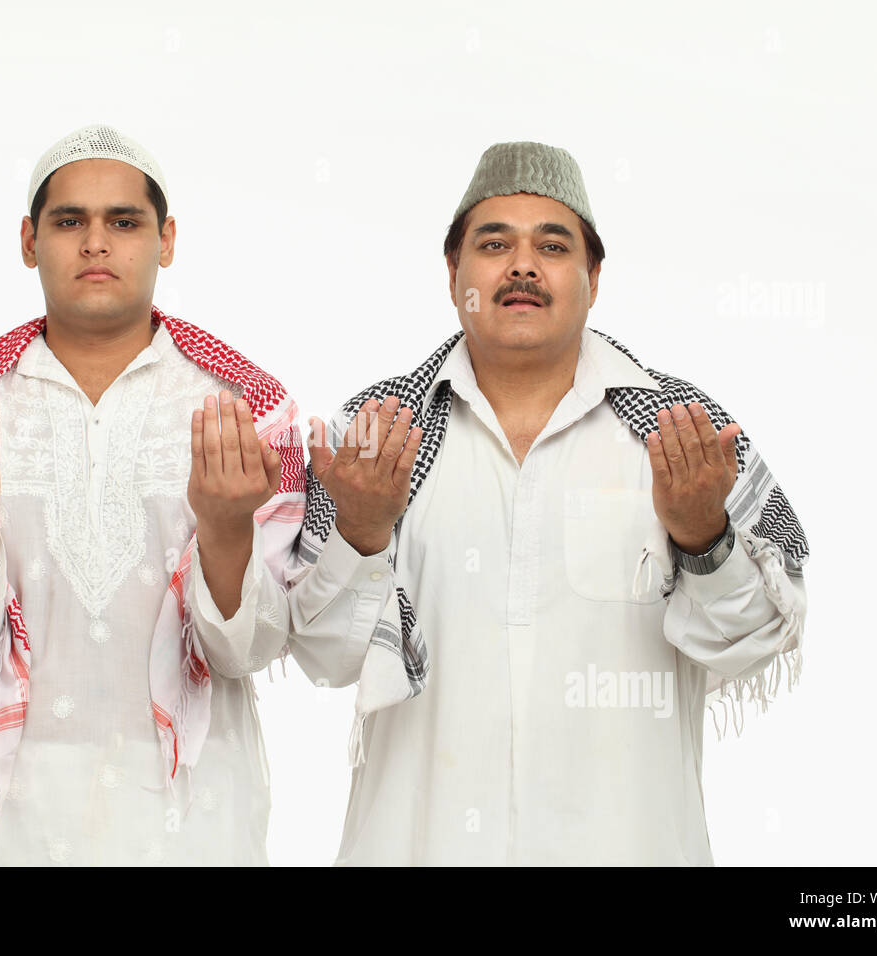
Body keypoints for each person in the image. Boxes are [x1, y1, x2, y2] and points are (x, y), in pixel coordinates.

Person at [294, 141, 811, 865]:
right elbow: (322, 654)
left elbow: (758, 640)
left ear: (593, 278)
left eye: (553, 245)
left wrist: (703, 535)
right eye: (495, 243)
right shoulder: (377, 438)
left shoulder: (683, 432)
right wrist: (362, 530)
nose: (523, 266)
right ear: (453, 275)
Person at [0, 124, 359, 865]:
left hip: (186, 827)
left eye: (123, 222)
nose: (96, 243)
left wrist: (226, 527)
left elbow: (245, 650)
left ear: (165, 240)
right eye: (70, 221)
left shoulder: (249, 411)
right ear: (30, 240)